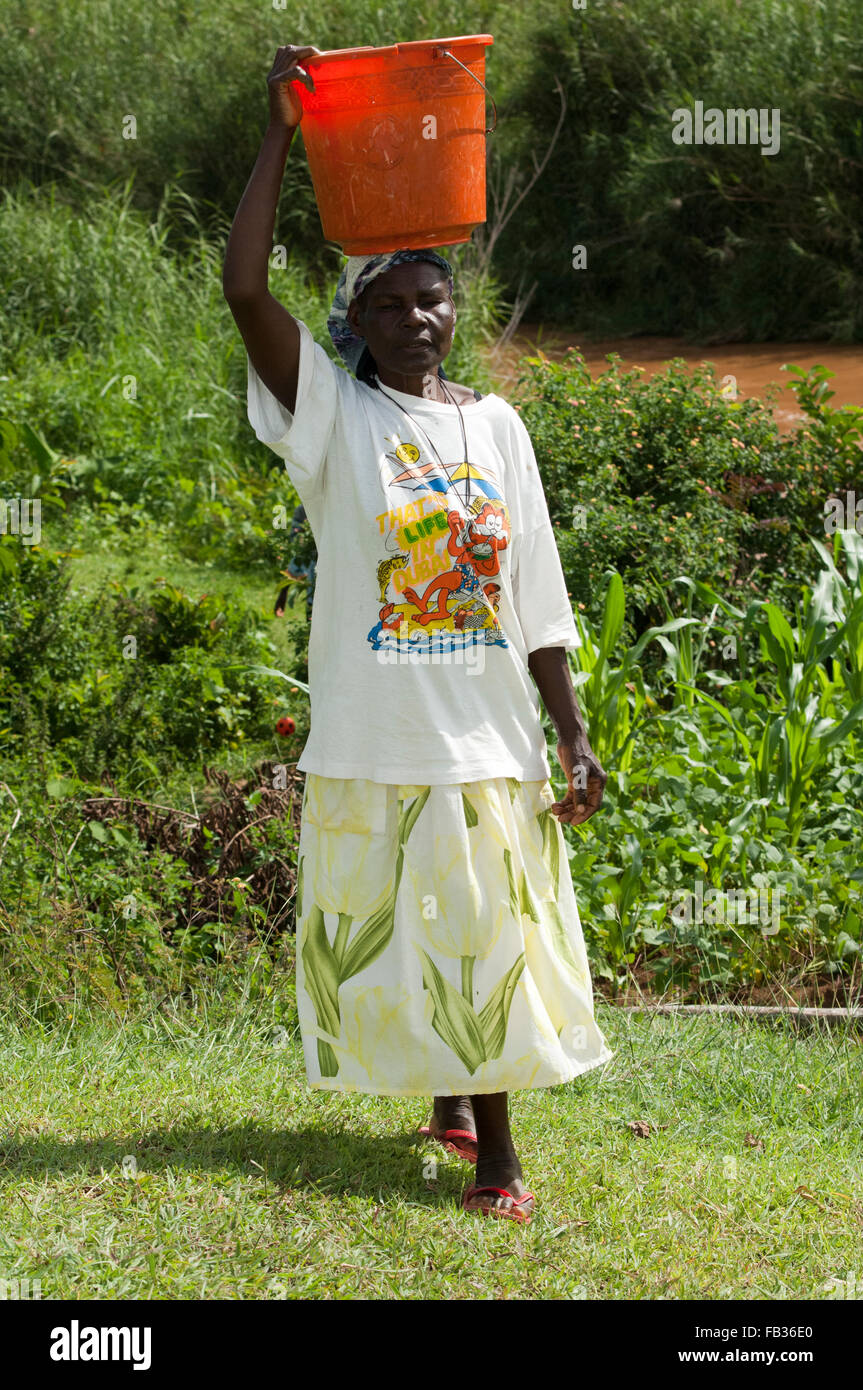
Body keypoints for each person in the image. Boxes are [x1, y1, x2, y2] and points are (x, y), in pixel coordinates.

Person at [223, 44, 613, 1225]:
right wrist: (283, 134)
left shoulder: (497, 427)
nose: (412, 318)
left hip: (490, 734)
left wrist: (575, 739)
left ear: (458, 310)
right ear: (356, 322)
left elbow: (534, 597)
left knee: (488, 932)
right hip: (375, 726)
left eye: (430, 297)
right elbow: (245, 290)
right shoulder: (332, 419)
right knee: (421, 929)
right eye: (384, 304)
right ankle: (455, 1106)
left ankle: (490, 1145)